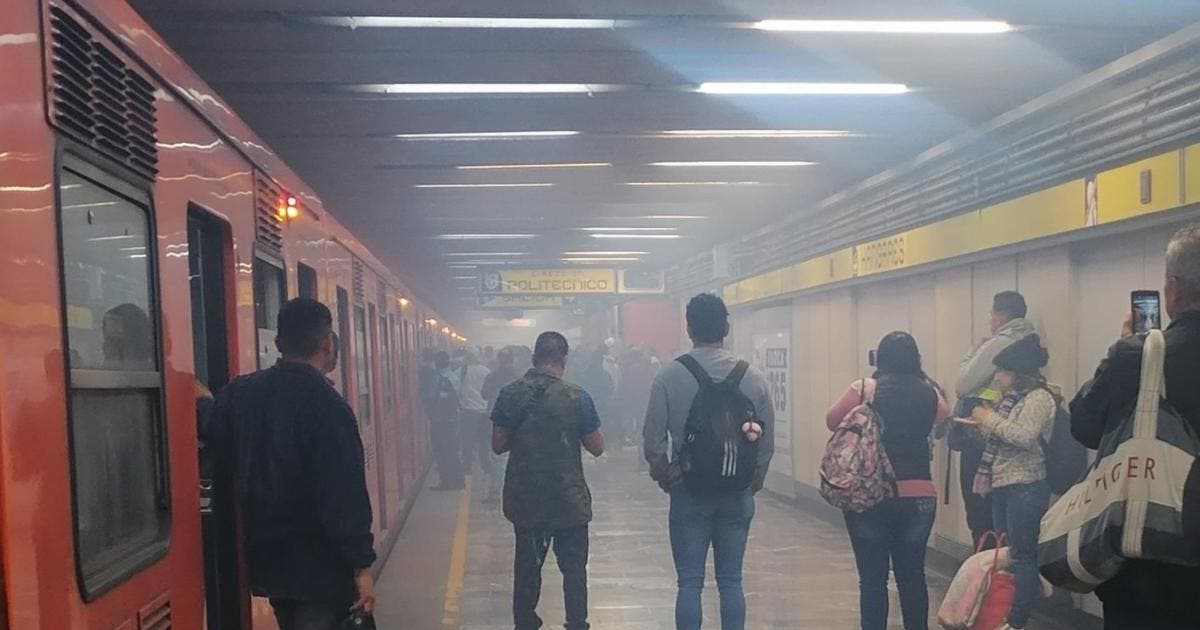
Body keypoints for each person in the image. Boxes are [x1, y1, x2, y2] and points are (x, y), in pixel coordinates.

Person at [207, 298, 375, 630]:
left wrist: (198, 396)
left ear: (278, 343)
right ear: (327, 344)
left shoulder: (241, 393)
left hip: (271, 564)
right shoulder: (329, 407)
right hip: (322, 569)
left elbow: (210, 424)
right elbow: (343, 495)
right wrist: (362, 566)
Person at [1069, 225, 1200, 629]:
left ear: (1173, 289)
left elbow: (1085, 424)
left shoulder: (1138, 356)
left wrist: (1128, 346)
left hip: (1153, 570)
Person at [643, 293, 774, 630]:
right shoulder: (753, 377)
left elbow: (653, 439)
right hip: (736, 492)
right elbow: (766, 442)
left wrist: (666, 476)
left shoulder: (670, 376)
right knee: (731, 581)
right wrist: (752, 480)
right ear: (726, 328)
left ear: (689, 329)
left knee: (689, 583)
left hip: (688, 490)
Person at [825, 332, 949, 630]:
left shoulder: (865, 389)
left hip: (871, 495)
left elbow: (832, 420)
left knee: (872, 578)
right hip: (919, 497)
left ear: (879, 359)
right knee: (912, 576)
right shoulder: (931, 393)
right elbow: (942, 418)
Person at [492, 332, 605, 630]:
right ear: (563, 360)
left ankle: (526, 622)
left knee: (527, 568)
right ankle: (577, 622)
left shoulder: (509, 393)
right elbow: (597, 446)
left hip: (526, 499)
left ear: (534, 358)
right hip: (569, 499)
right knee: (574, 568)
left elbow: (498, 444)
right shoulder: (577, 396)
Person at [955, 334, 1054, 630]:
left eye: (1001, 372)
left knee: (1022, 555)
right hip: (1002, 483)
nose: (996, 378)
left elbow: (1023, 436)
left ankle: (1017, 620)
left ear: (1016, 373)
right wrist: (982, 425)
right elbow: (1003, 435)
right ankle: (1004, 609)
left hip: (1026, 485)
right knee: (1007, 552)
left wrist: (989, 419)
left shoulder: (1039, 398)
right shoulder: (1011, 400)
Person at [951, 291, 1036, 546]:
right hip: (1006, 441)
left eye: (992, 314)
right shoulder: (1030, 340)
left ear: (1001, 315)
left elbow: (963, 384)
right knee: (1001, 522)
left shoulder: (1001, 343)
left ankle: (985, 578)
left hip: (981, 433)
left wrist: (976, 350)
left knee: (980, 515)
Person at [481, 346, 523, 504]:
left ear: (499, 360)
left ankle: (495, 492)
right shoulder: (519, 377)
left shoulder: (492, 376)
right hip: (517, 420)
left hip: (496, 418)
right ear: (513, 360)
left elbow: (484, 394)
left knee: (496, 456)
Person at [430, 350, 465, 490]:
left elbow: (433, 398)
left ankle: (446, 482)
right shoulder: (453, 376)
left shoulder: (440, 378)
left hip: (441, 420)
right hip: (452, 419)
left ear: (437, 363)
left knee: (442, 451)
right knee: (452, 450)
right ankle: (458, 480)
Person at [458, 349, 491, 475]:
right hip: (484, 411)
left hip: (468, 411)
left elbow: (456, 386)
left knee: (468, 440)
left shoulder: (463, 371)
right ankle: (486, 467)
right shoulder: (485, 370)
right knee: (483, 441)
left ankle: (467, 466)